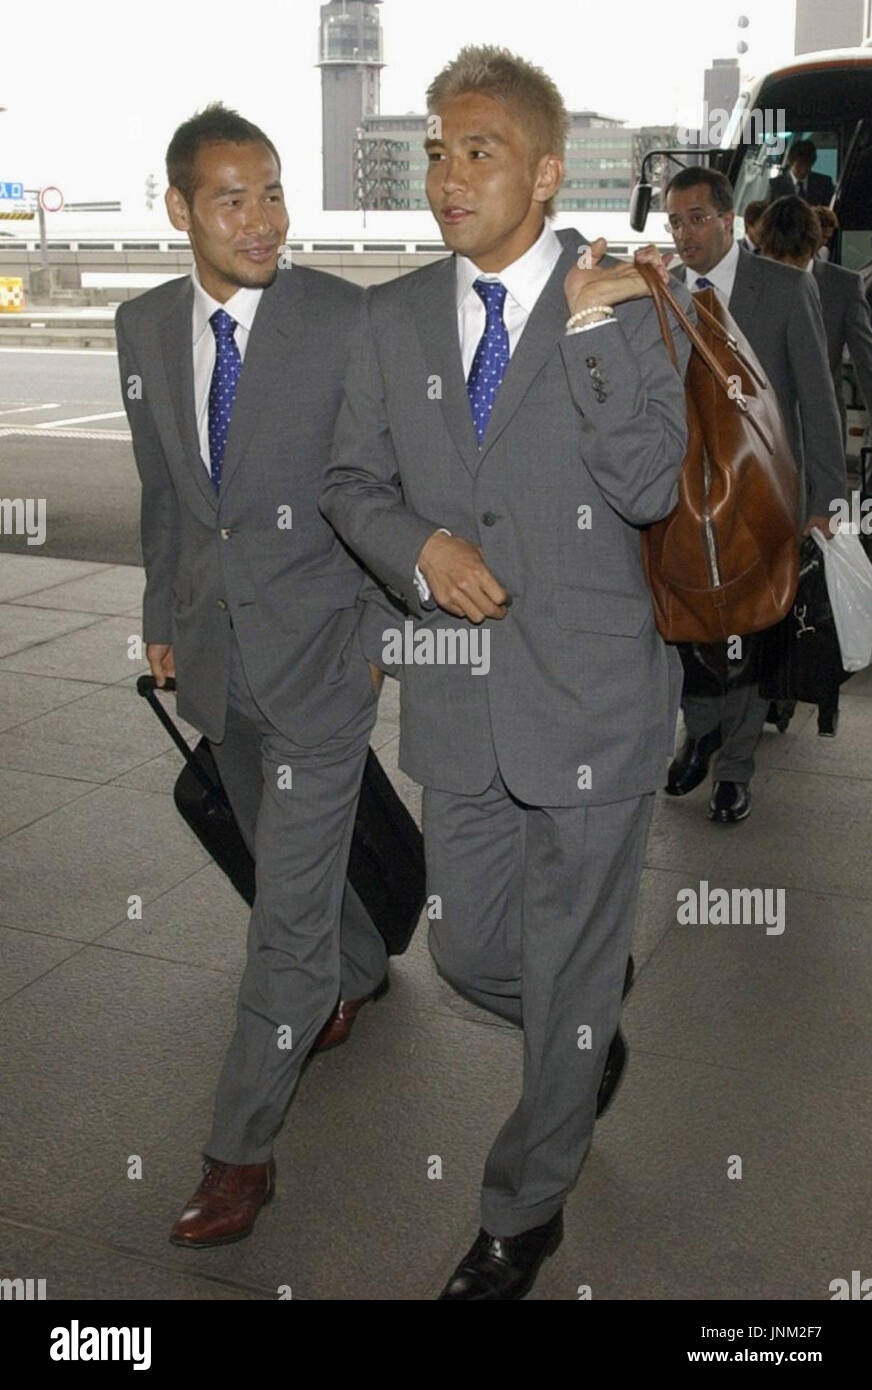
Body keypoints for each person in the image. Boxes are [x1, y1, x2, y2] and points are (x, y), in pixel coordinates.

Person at [321, 45, 692, 1301]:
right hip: (461, 704)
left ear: (541, 172)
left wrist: (591, 326)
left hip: (595, 700)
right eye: (434, 149)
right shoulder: (391, 317)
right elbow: (349, 485)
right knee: (472, 949)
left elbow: (646, 485)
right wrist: (416, 550)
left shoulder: (628, 299)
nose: (445, 175)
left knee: (565, 960)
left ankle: (519, 1212)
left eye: (475, 151)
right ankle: (586, 1019)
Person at [116, 103, 393, 1250]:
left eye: (273, 191)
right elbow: (168, 493)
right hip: (217, 654)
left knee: (279, 909)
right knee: (289, 859)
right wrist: (160, 616)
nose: (262, 219)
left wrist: (379, 625)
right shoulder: (140, 328)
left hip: (323, 659)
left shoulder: (343, 319)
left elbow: (386, 479)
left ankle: (239, 1150)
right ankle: (360, 966)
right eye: (233, 197)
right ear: (178, 207)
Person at [664, 167, 844, 819]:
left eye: (696, 219)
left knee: (744, 633)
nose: (684, 235)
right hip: (682, 502)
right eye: (674, 222)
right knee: (688, 632)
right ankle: (702, 725)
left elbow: (819, 403)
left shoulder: (785, 289)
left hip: (763, 497)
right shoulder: (662, 294)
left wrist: (825, 501)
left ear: (729, 219)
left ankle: (734, 767)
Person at [758, 194, 872, 737]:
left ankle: (796, 678)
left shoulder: (842, 287)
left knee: (802, 568)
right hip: (758, 446)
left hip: (809, 444)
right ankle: (769, 683)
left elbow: (865, 367)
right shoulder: (750, 280)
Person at [768, 138, 835, 205]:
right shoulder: (775, 185)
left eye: (808, 165)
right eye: (800, 165)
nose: (804, 170)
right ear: (790, 162)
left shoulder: (824, 184)